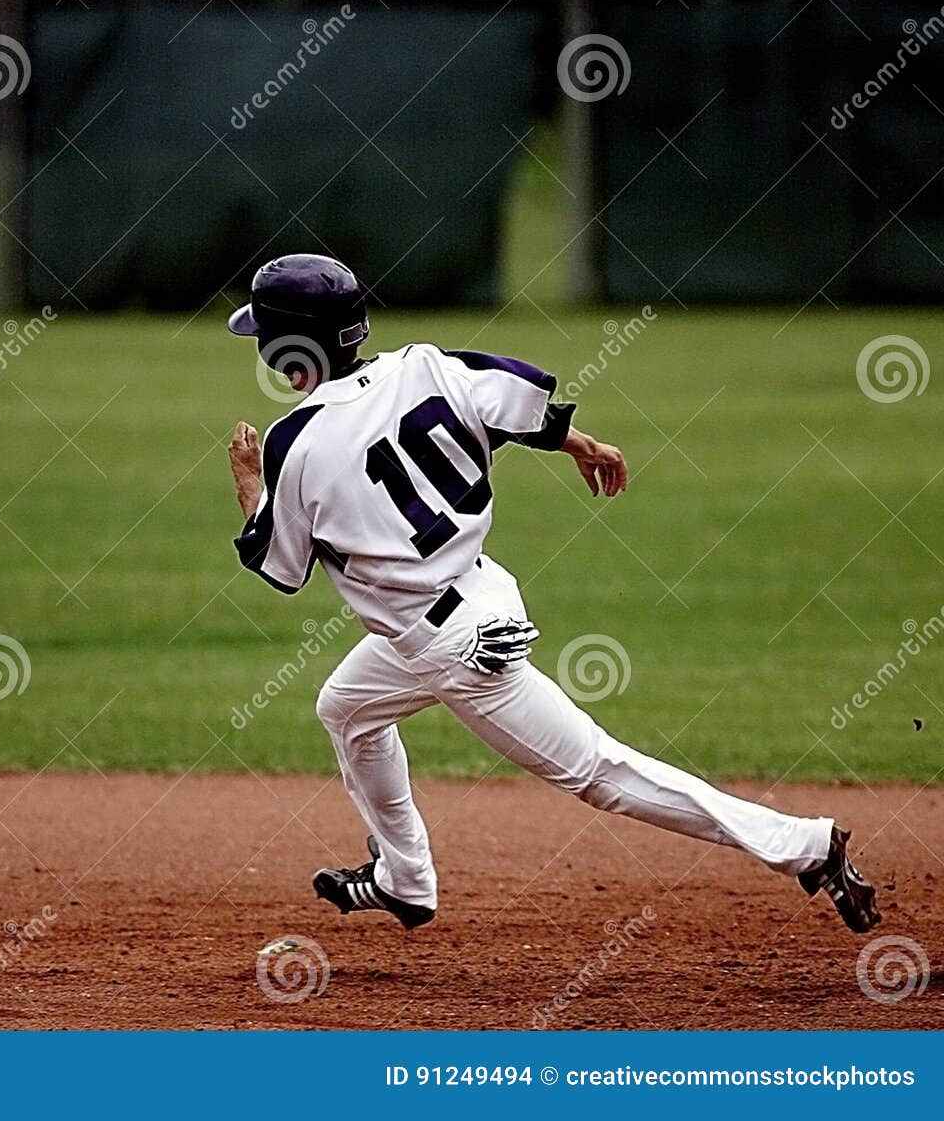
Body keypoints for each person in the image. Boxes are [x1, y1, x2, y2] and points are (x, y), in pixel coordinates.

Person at [225, 253, 879, 934]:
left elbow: (279, 565)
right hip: (475, 598)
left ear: (286, 349)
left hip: (451, 646)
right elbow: (515, 398)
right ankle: (405, 879)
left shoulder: (294, 441)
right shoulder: (424, 365)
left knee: (600, 772)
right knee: (346, 709)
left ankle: (805, 845)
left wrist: (250, 481)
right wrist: (580, 443)